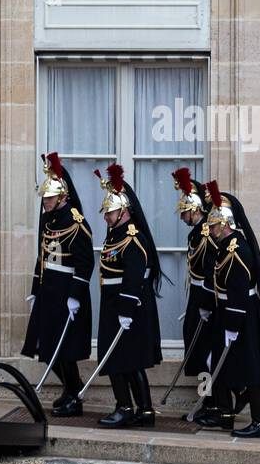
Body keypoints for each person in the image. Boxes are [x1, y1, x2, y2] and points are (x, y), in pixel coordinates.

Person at [199, 181, 260, 437]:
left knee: (250, 370)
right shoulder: (225, 247)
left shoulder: (237, 250)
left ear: (225, 224)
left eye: (213, 225)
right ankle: (226, 415)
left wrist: (232, 325)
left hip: (240, 316)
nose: (210, 230)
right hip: (227, 313)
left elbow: (239, 291)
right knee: (222, 365)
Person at [21, 152, 94, 417]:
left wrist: (75, 294)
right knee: (45, 345)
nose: (45, 201)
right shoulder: (48, 219)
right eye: (44, 197)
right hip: (48, 289)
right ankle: (71, 388)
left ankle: (74, 395)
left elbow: (85, 263)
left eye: (49, 197)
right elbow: (41, 257)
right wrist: (34, 289)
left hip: (66, 291)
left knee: (64, 349)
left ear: (62, 197)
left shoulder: (76, 223)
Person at [93, 164, 162, 428]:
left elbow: (134, 279)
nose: (106, 217)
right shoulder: (115, 237)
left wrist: (125, 311)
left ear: (124, 211)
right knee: (120, 360)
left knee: (128, 361)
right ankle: (139, 409)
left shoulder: (132, 239)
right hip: (114, 306)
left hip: (126, 309)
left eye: (110, 213)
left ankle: (132, 408)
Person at [171, 167, 217, 422]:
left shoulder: (207, 234)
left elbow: (211, 272)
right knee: (198, 352)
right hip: (197, 296)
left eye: (185, 212)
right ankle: (205, 400)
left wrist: (206, 303)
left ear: (197, 209)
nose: (183, 217)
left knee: (206, 354)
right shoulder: (196, 233)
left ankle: (211, 402)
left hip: (205, 299)